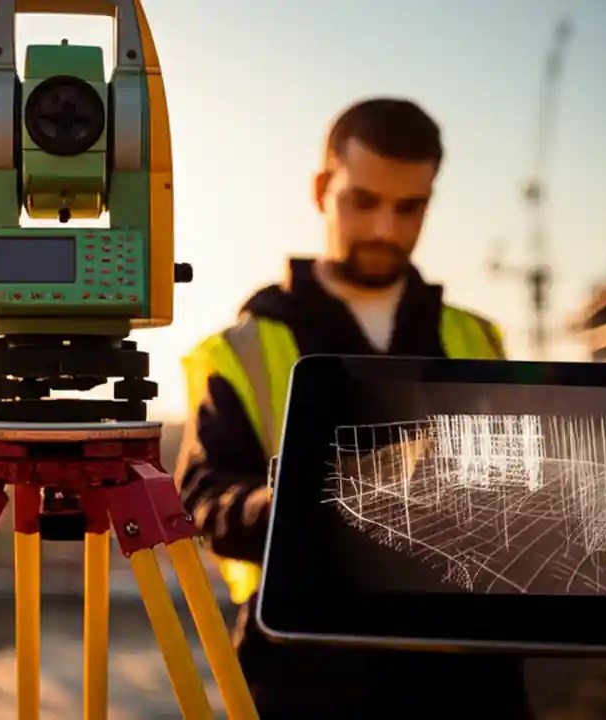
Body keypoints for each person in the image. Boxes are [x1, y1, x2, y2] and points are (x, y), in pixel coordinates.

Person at [174, 97, 533, 718]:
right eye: (364, 201)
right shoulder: (243, 348)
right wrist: (310, 506)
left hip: (471, 676)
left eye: (409, 207)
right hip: (307, 671)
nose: (386, 229)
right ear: (322, 188)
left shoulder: (479, 339)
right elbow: (202, 502)